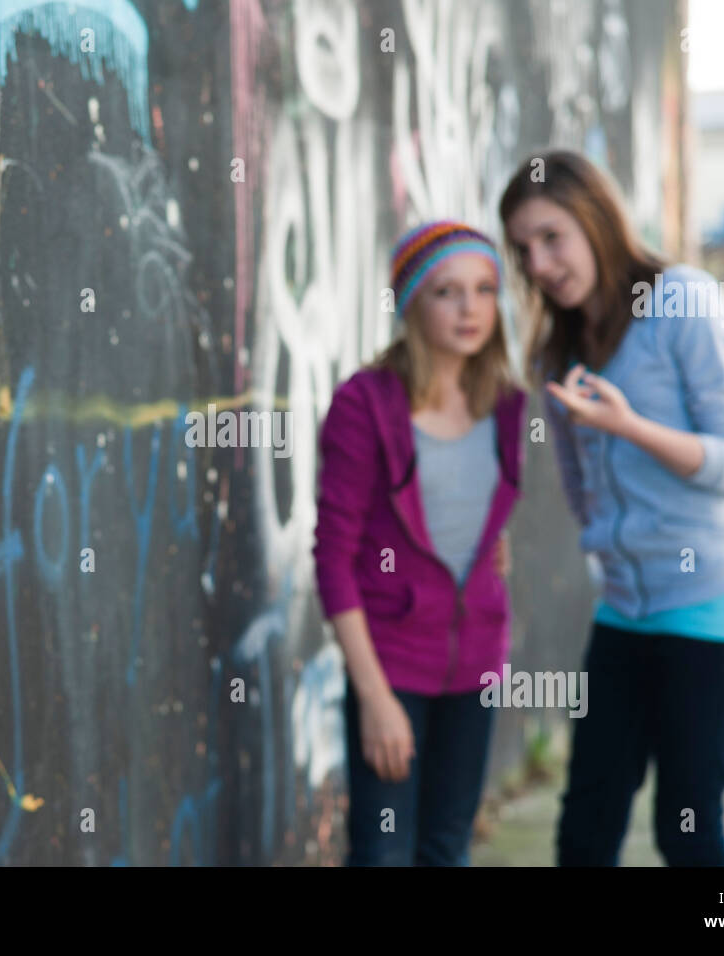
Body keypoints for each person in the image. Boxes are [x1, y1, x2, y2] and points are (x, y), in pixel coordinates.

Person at [498, 149, 724, 866]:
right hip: (624, 609)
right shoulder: (555, 351)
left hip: (712, 607)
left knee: (685, 828)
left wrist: (628, 427)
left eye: (551, 237)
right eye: (523, 248)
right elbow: (583, 497)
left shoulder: (680, 301)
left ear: (594, 220)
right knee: (586, 824)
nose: (538, 263)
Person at [314, 221, 526, 865]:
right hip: (392, 662)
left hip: (475, 662)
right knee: (383, 854)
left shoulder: (508, 403)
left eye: (485, 290)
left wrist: (487, 547)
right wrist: (375, 699)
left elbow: (478, 512)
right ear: (410, 301)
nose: (470, 309)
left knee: (446, 849)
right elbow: (334, 560)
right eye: (447, 292)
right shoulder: (365, 404)